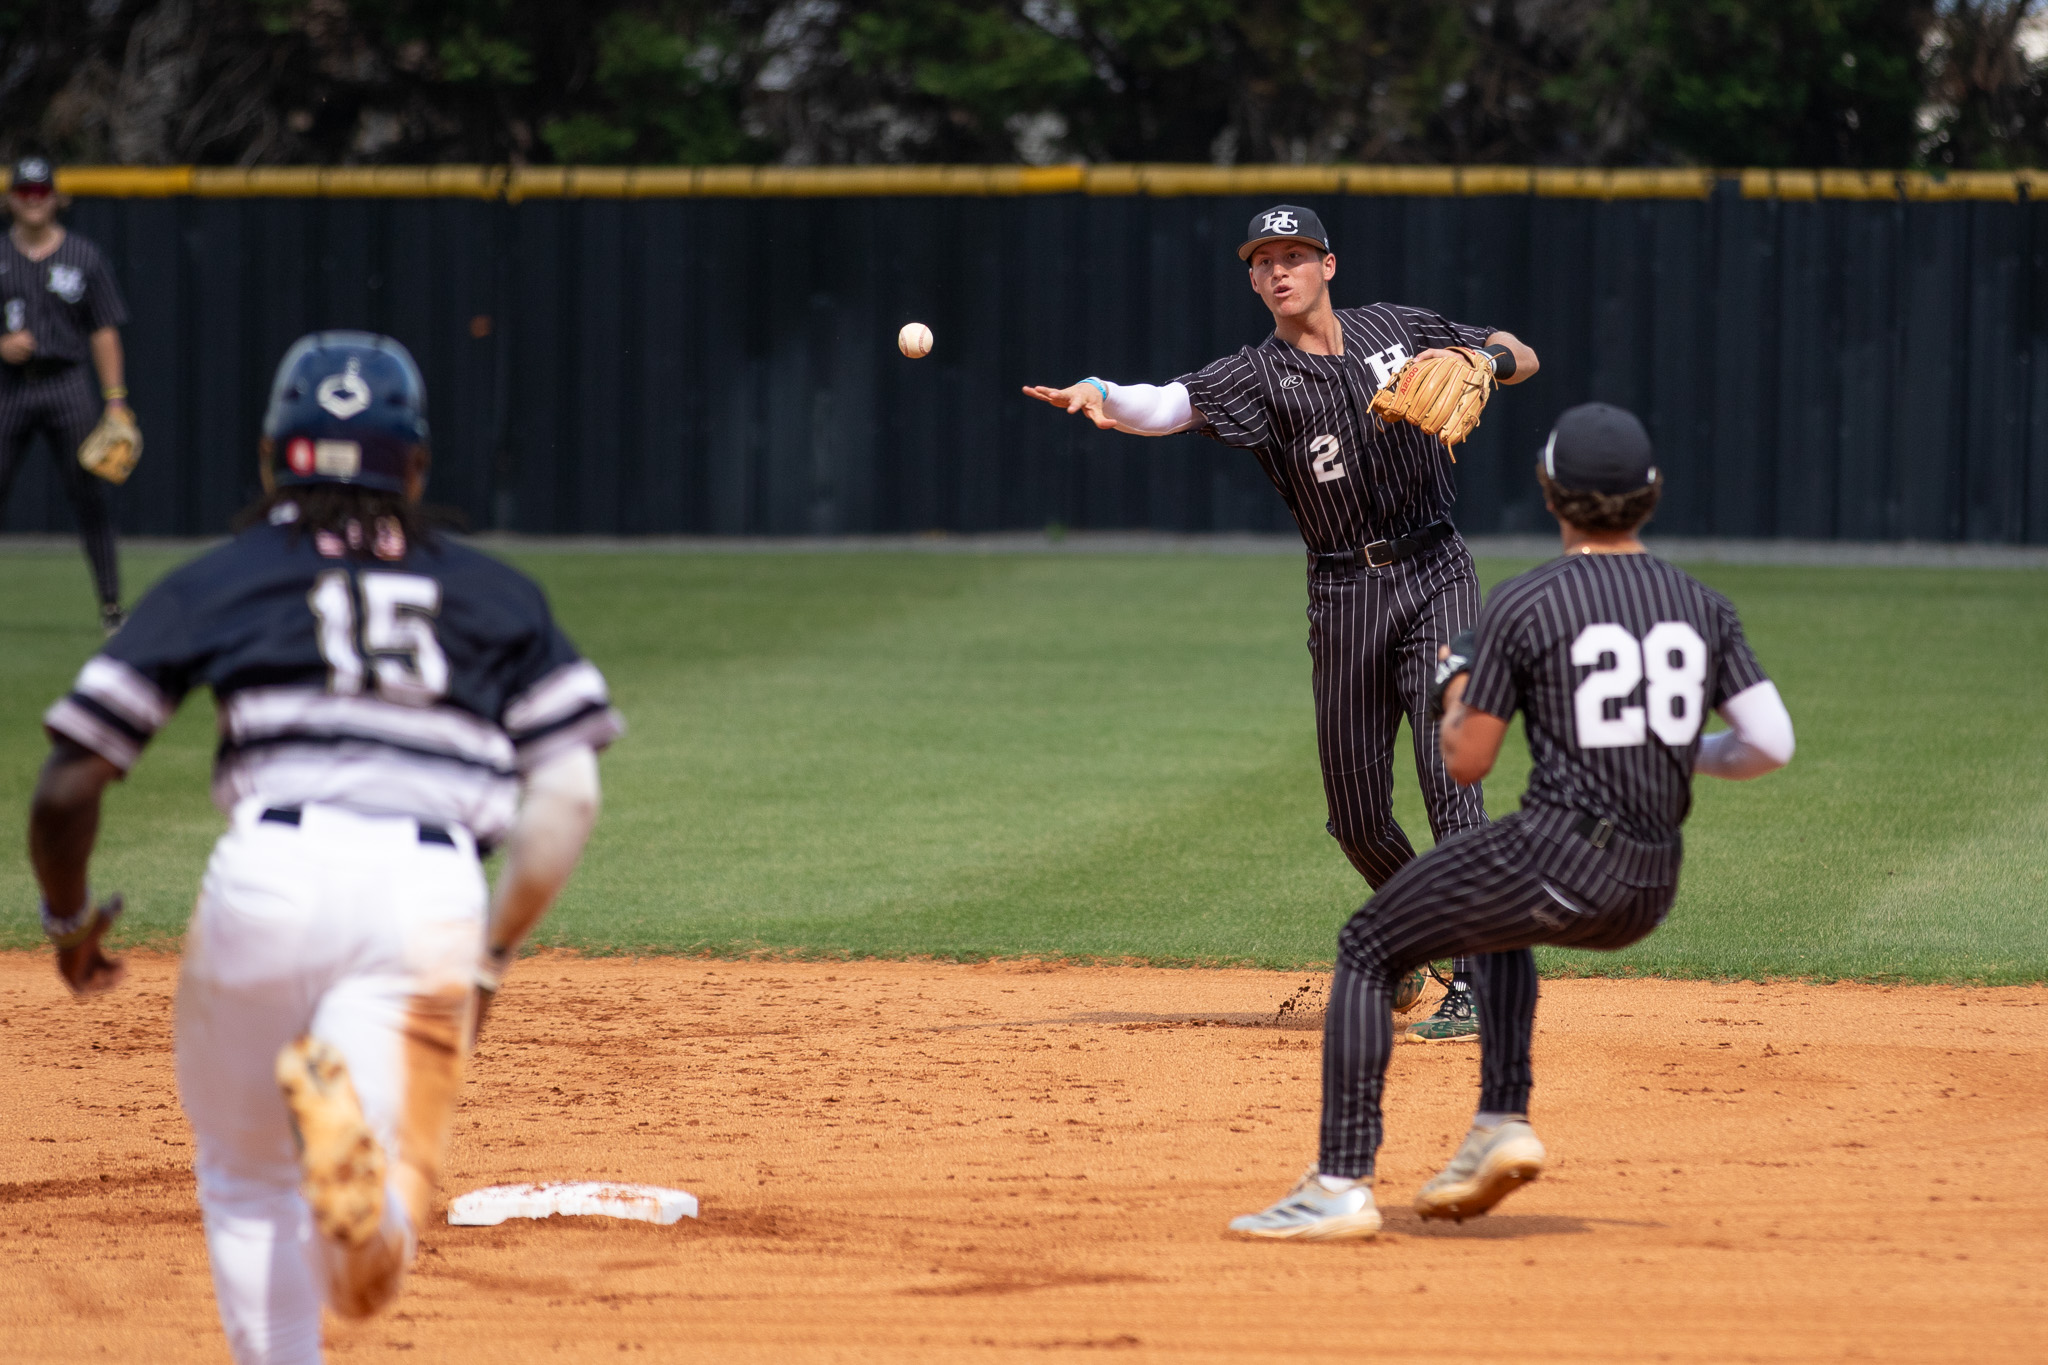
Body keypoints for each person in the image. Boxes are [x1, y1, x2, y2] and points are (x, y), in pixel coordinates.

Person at [28, 332, 624, 1361]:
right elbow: (566, 797)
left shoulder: (227, 577)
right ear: (419, 466)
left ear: (270, 460)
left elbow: (72, 777)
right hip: (428, 893)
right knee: (379, 1203)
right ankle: (372, 1227)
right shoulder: (492, 594)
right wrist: (491, 951)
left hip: (266, 879)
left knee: (248, 1181)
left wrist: (70, 919)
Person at [1227, 402, 1795, 1240]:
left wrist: (1455, 686)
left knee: (1368, 946)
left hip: (1560, 854)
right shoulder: (1700, 603)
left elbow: (1466, 761)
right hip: (1650, 881)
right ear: (1651, 494)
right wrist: (1677, 750)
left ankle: (1340, 1182)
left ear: (1551, 493)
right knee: (1490, 916)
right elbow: (1770, 743)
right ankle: (1499, 1120)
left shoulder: (1527, 602)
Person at [1024, 203, 1541, 1040]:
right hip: (1344, 593)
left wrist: (1481, 355)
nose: (1278, 270)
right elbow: (1172, 403)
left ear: (1328, 265)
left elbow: (1522, 353)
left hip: (1437, 569)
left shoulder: (1400, 328)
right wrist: (1105, 394)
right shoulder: (1257, 375)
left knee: (1450, 774)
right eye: (1262, 260)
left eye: (1294, 254)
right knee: (1357, 816)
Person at [0, 153, 132, 632]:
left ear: (56, 197)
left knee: (88, 493)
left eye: (41, 192)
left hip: (66, 384)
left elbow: (104, 330)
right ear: (10, 200)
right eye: (24, 192)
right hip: (10, 387)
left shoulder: (83, 256)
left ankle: (112, 606)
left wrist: (115, 399)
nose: (33, 200)